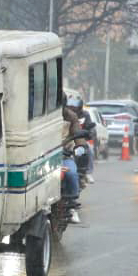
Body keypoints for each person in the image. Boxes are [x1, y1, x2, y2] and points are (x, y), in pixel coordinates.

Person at [59, 93, 86, 223]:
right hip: (45, 157)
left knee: (71, 174)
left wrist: (80, 146)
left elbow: (77, 134)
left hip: (64, 155)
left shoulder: (71, 116)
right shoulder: (42, 117)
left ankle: (71, 206)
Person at [67, 95, 95, 183]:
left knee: (89, 150)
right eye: (70, 104)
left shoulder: (85, 115)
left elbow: (89, 127)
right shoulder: (65, 114)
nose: (72, 107)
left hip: (79, 139)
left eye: (75, 105)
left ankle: (87, 172)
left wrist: (88, 133)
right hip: (66, 140)